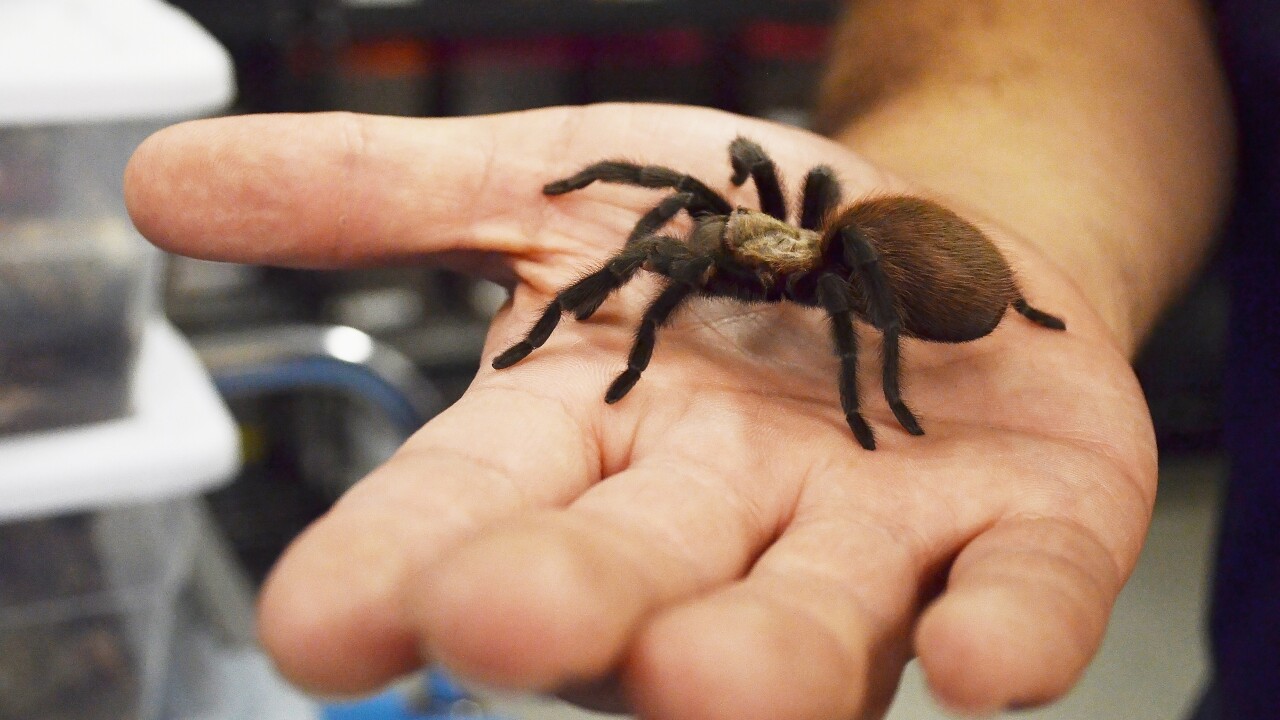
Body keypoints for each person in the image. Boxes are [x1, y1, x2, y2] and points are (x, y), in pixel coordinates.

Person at [122, 1, 1270, 717]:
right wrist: (1030, 226)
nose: (712, 240)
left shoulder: (806, 258)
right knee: (717, 230)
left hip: (913, 283)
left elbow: (834, 281)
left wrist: (866, 403)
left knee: (748, 253)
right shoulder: (775, 225)